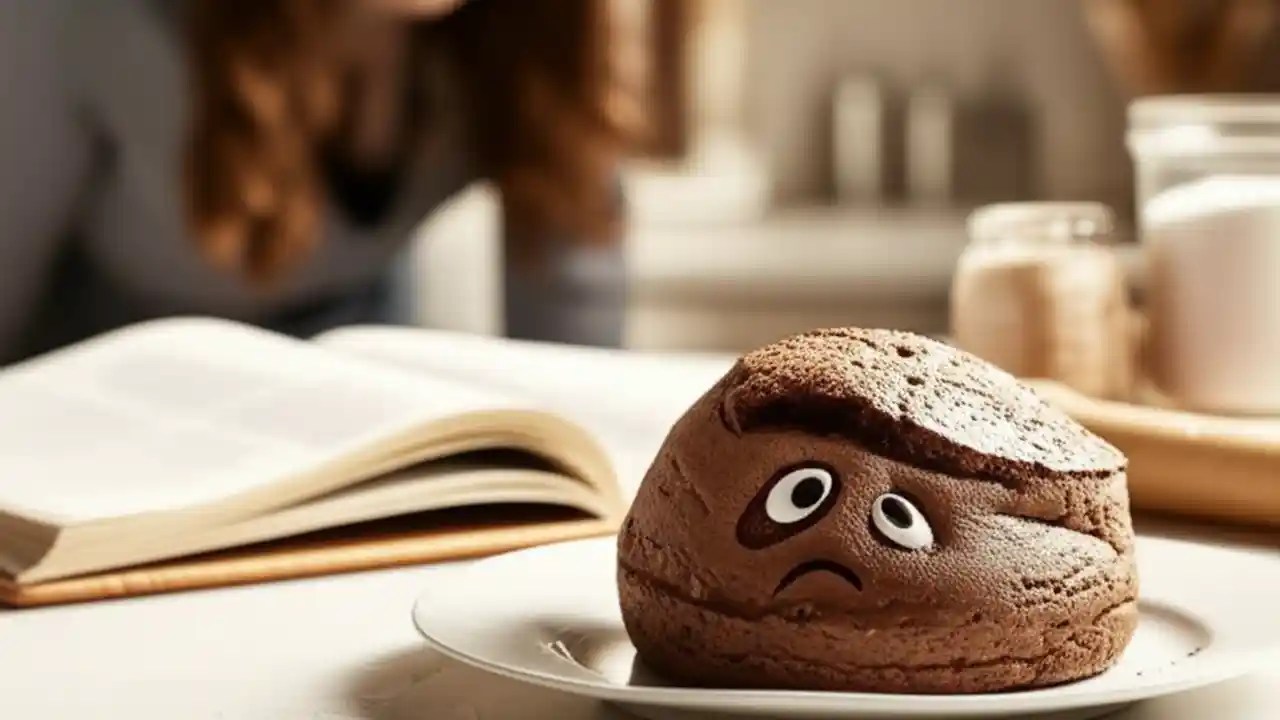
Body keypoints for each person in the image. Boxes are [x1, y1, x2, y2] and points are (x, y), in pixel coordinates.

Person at [0, 0, 631, 364]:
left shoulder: (516, 30)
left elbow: (576, 347)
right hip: (94, 471)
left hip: (341, 470)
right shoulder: (87, 19)